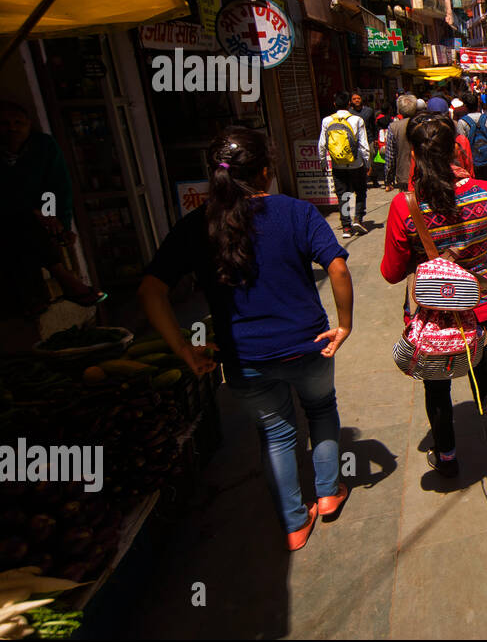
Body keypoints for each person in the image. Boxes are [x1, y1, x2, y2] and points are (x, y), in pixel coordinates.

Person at [138, 127, 353, 551]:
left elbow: (150, 290)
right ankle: (328, 494)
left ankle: (294, 524)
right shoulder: (297, 212)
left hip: (244, 357)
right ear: (266, 172)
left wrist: (182, 350)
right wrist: (344, 323)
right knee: (321, 409)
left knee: (277, 433)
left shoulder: (195, 225)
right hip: (308, 344)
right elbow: (339, 269)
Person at [380, 113, 487, 534]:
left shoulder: (406, 206)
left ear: (415, 157)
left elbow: (390, 272)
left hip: (429, 322)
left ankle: (446, 457)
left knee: (436, 389)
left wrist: (423, 254)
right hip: (480, 317)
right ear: (458, 148)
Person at [0, 99, 106, 314]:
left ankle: (40, 297)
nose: (12, 128)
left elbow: (58, 188)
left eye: (18, 122)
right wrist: (33, 213)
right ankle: (63, 277)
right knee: (20, 226)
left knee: (33, 231)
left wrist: (61, 224)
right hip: (12, 219)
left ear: (29, 125)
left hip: (35, 222)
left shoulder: (43, 147)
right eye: (4, 123)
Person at [318, 94, 370, 237]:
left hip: (337, 164)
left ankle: (346, 227)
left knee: (343, 194)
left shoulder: (326, 120)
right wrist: (367, 162)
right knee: (360, 191)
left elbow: (322, 144)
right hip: (356, 163)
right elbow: (363, 145)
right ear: (349, 104)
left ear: (334, 104)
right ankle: (358, 219)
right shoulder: (357, 120)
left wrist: (323, 162)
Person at [459, 97, 487, 182]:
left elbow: (462, 146)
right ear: (477, 105)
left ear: (465, 106)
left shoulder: (462, 122)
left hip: (473, 163)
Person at [385, 94, 418, 192]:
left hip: (404, 174)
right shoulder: (422, 123)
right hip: (422, 171)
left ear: (399, 110)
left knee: (407, 204)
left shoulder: (394, 127)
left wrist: (388, 179)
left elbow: (390, 156)